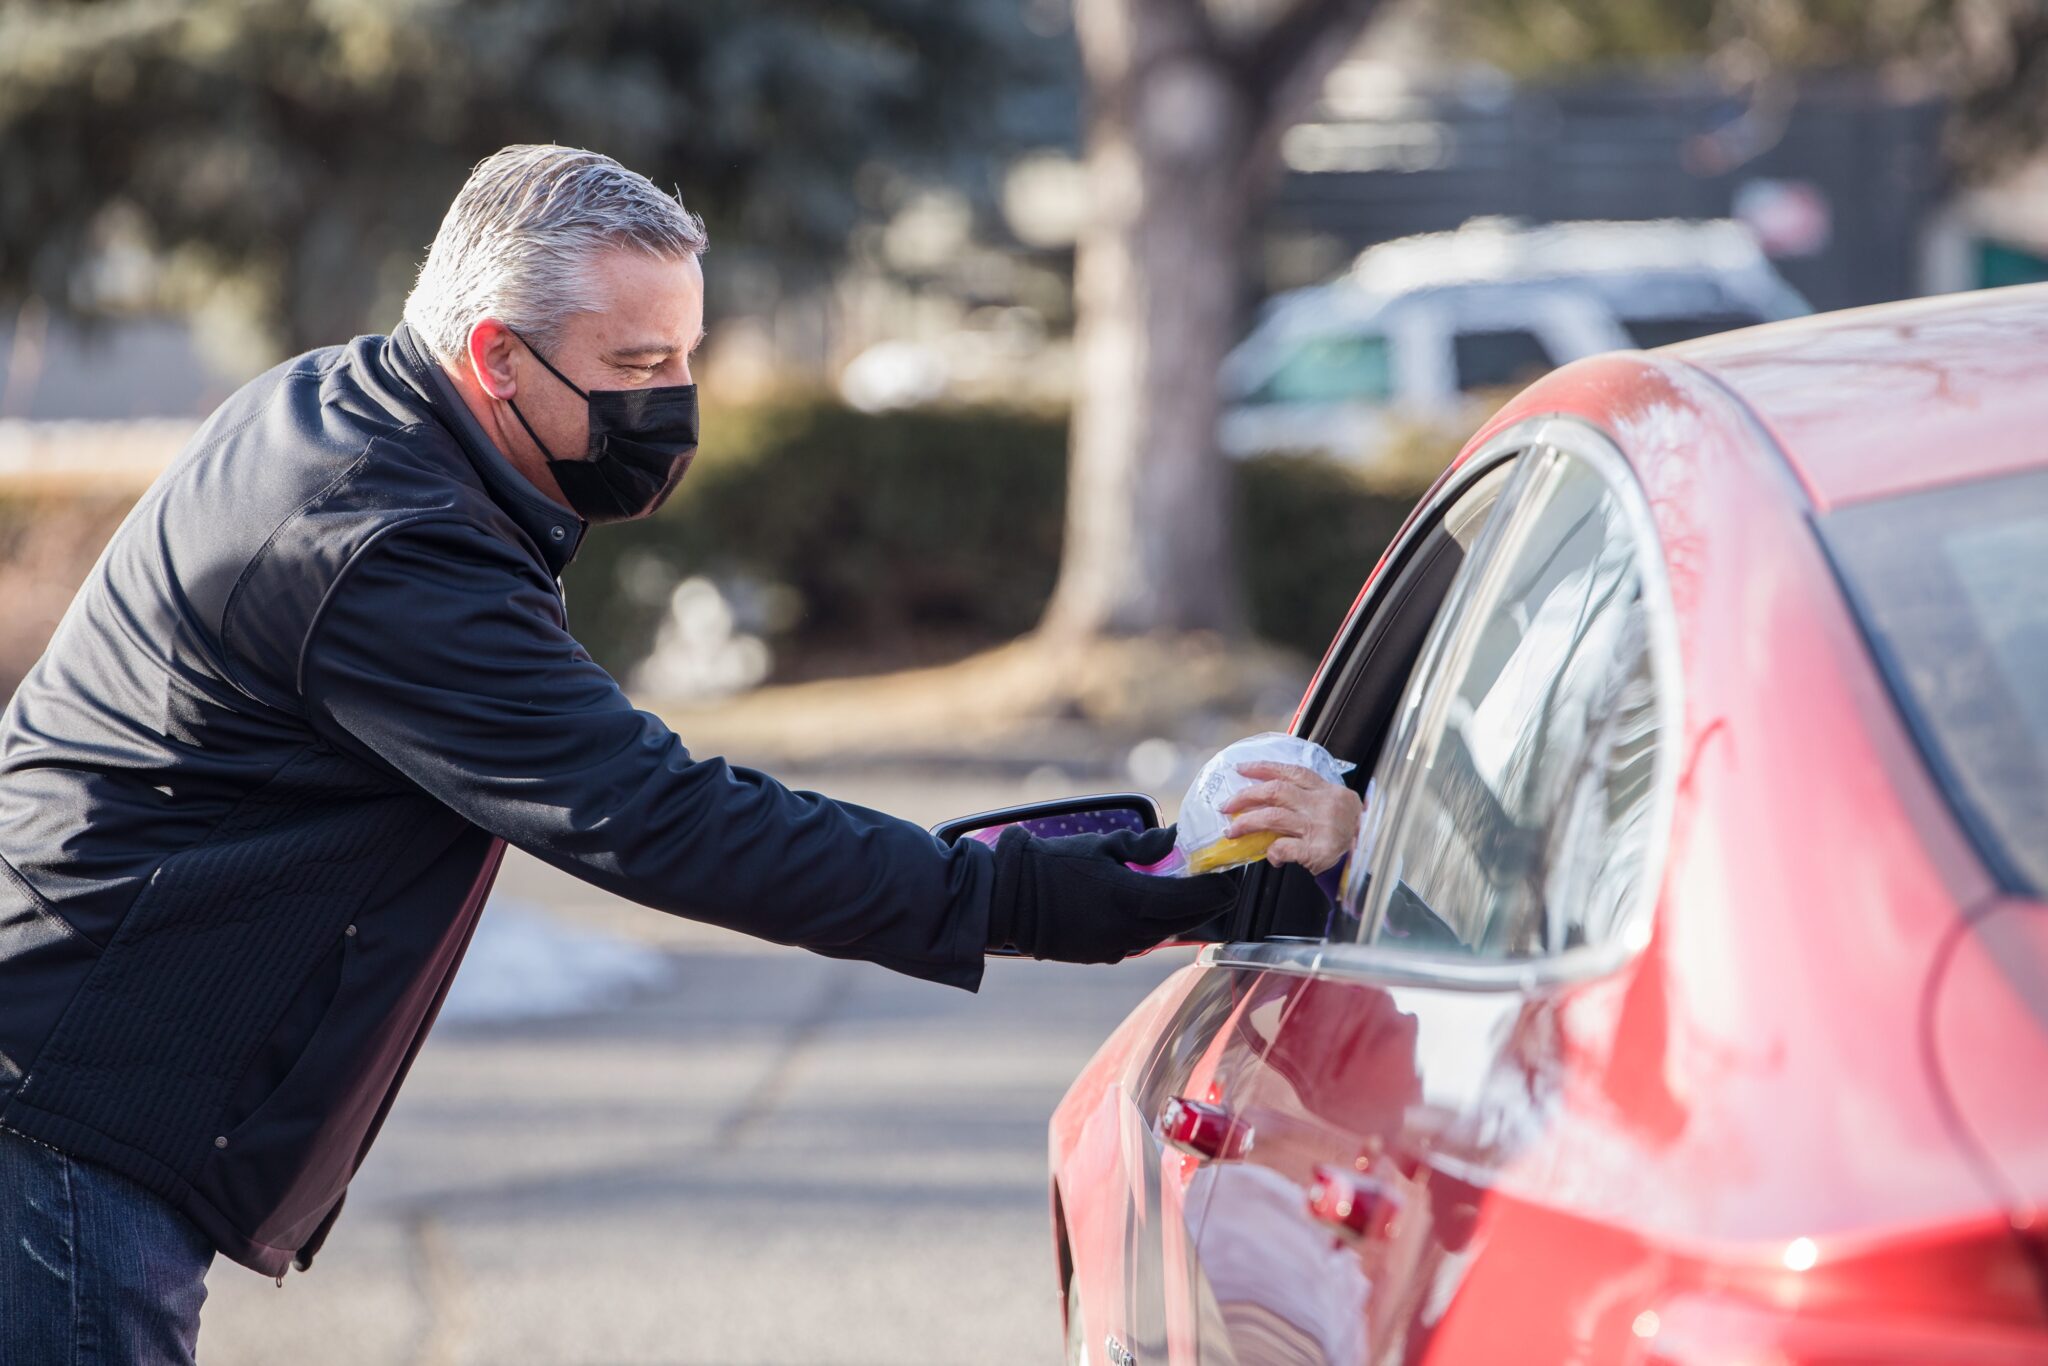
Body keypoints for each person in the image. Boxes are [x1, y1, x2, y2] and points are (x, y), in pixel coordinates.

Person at [0, 144, 1359, 1363]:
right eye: (636, 367)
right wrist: (1037, 892)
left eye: (688, 354)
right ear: (494, 356)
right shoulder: (387, 543)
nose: (676, 401)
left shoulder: (354, 418)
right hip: (66, 1124)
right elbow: (654, 814)